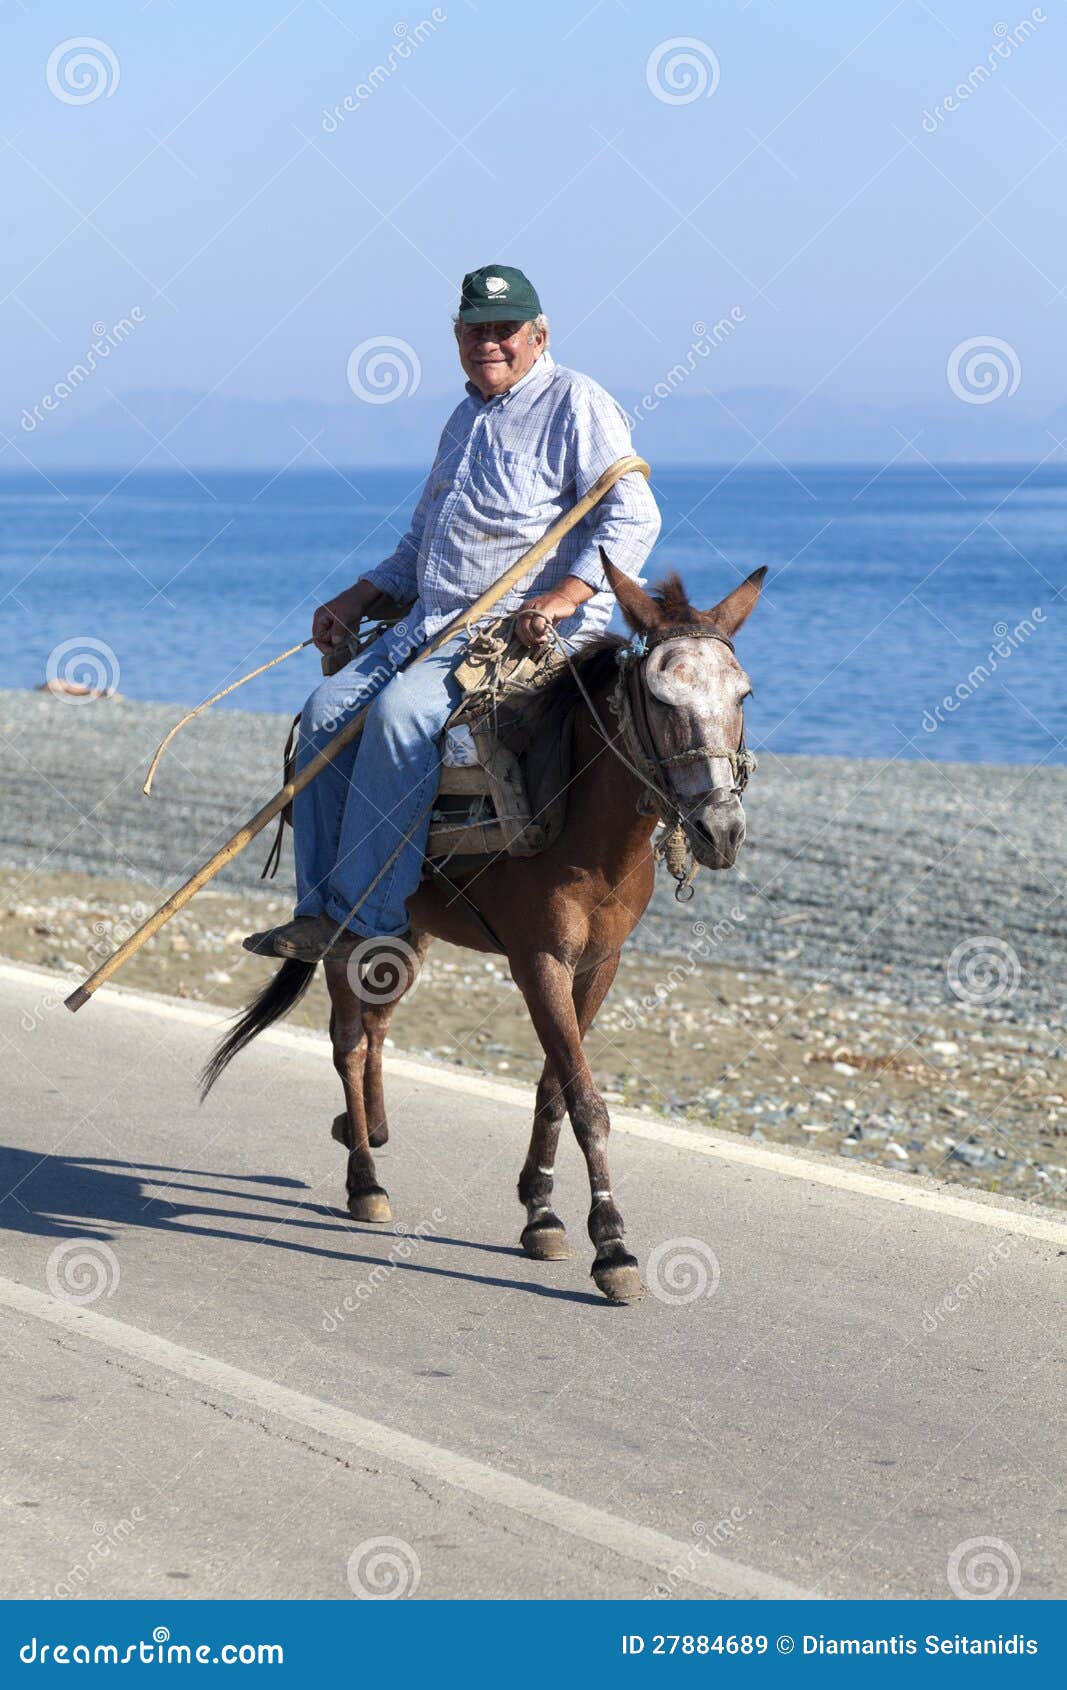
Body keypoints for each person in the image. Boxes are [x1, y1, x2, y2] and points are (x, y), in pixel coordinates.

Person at [245, 263, 661, 963]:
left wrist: (562, 598)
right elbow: (421, 544)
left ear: (538, 335)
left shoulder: (575, 402)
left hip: (512, 633)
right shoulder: (464, 415)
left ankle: (369, 916)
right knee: (322, 714)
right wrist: (357, 598)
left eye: (504, 331)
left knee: (401, 716)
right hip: (429, 624)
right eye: (476, 331)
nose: (489, 344)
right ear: (457, 335)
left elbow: (633, 514)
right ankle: (318, 911)